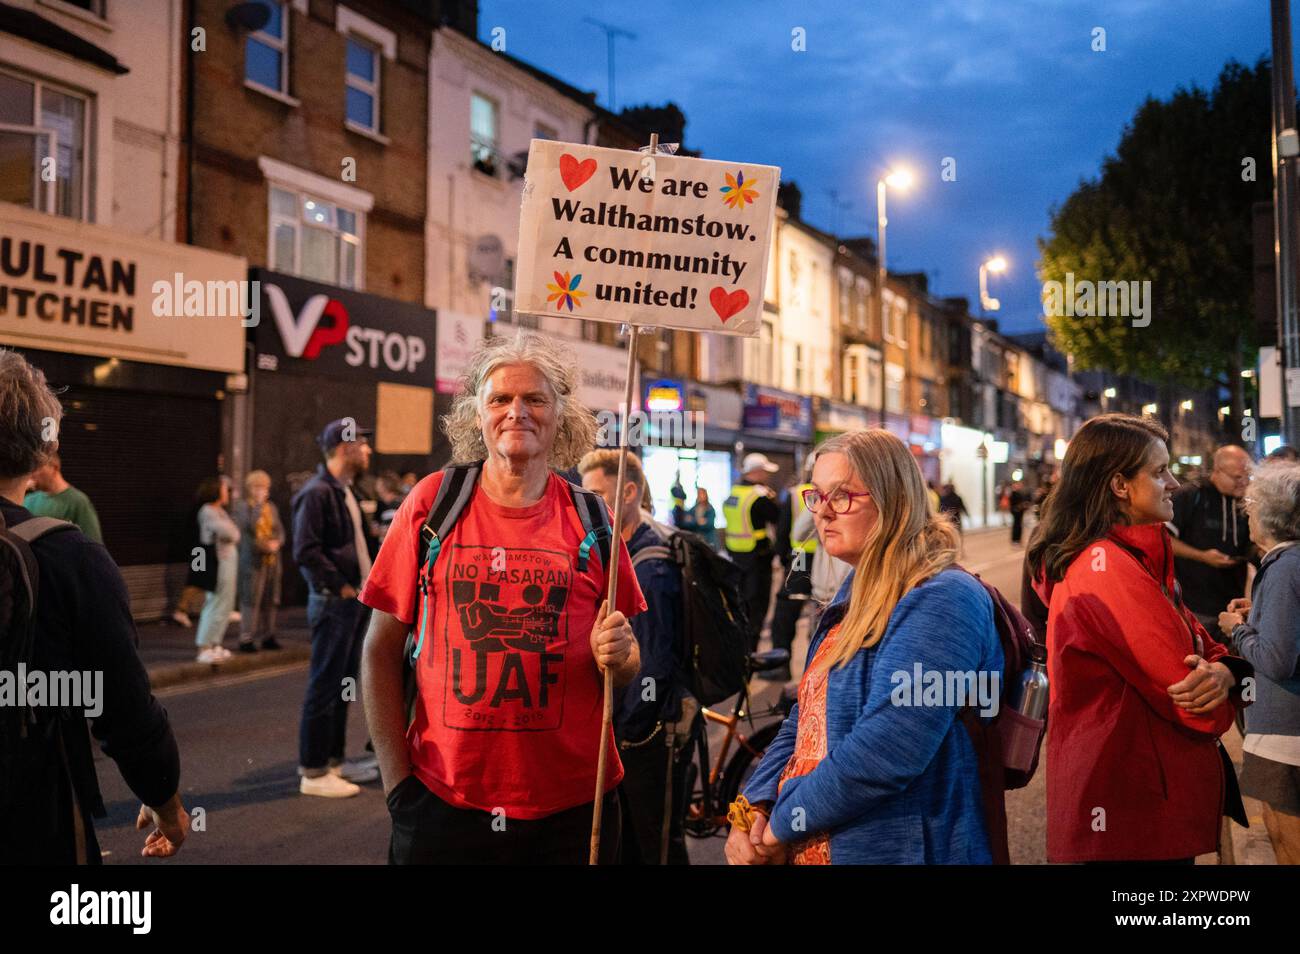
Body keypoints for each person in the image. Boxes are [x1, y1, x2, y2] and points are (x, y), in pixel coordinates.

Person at [360, 331, 644, 864]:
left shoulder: (591, 518)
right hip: (445, 806)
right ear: (477, 415)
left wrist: (622, 655)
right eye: (500, 399)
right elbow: (378, 648)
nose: (518, 412)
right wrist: (398, 788)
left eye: (535, 399)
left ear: (561, 416)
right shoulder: (433, 504)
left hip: (576, 810)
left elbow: (627, 662)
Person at [728, 429, 1003, 865]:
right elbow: (805, 716)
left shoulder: (943, 596)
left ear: (893, 499)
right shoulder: (854, 588)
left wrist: (782, 824)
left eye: (842, 496)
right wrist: (755, 806)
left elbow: (889, 750)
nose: (823, 513)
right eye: (816, 496)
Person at [1027, 414, 1252, 863]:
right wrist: (1227, 678)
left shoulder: (1131, 557)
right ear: (1119, 485)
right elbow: (1195, 704)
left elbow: (1203, 645)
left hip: (1130, 797)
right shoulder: (1109, 568)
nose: (1173, 483)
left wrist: (1227, 669)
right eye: (1159, 471)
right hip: (1132, 806)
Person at [0, 349, 187, 863]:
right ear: (44, 447)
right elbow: (124, 709)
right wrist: (165, 799)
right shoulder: (70, 556)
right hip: (29, 813)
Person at [580, 448, 695, 865]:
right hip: (629, 731)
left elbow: (654, 665)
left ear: (628, 492)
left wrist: (625, 732)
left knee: (655, 844)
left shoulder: (650, 562)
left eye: (596, 494)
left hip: (649, 734)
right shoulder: (616, 548)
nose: (588, 504)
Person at [1217, 460, 1300, 864]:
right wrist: (1260, 616)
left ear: (1268, 515)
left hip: (1287, 734)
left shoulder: (1284, 567)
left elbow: (1277, 660)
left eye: (1251, 506)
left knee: (1288, 844)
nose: (1248, 514)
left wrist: (1237, 629)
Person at [291, 418, 380, 797]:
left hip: (352, 603)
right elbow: (305, 551)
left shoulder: (344, 490)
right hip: (333, 603)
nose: (368, 450)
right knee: (324, 687)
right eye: (362, 443)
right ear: (344, 448)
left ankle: (335, 762)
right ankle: (313, 771)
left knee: (343, 685)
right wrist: (341, 586)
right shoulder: (317, 493)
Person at [1169, 444, 1254, 634]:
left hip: (1234, 605)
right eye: (1237, 477)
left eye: (1248, 476)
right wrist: (1202, 556)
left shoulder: (1246, 501)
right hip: (1194, 605)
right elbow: (1164, 538)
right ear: (1217, 471)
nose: (1244, 482)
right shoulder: (1191, 495)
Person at [723, 453, 781, 650]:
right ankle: (751, 652)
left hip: (735, 557)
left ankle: (737, 648)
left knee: (740, 606)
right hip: (758, 559)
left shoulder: (734, 493)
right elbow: (777, 517)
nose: (767, 476)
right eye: (765, 472)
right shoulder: (760, 495)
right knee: (757, 608)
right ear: (756, 472)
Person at [767, 468, 817, 681]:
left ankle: (781, 665)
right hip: (827, 558)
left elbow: (784, 528)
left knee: (785, 610)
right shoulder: (837, 491)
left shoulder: (797, 494)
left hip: (800, 557)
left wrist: (781, 555)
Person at [232, 469, 285, 653]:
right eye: (258, 487)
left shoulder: (272, 508)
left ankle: (268, 635)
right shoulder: (242, 507)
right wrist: (258, 507)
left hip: (272, 560)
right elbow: (249, 527)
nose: (262, 491)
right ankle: (246, 637)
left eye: (264, 487)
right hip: (252, 561)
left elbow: (280, 530)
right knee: (251, 599)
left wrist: (276, 543)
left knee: (271, 598)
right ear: (250, 488)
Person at [193, 475, 239, 663]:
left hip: (227, 560)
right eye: (223, 489)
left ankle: (215, 643)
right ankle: (204, 646)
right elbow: (230, 532)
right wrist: (233, 532)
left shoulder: (219, 511)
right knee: (216, 601)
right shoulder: (208, 511)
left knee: (226, 603)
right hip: (218, 560)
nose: (226, 492)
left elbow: (234, 533)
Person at [24, 451, 103, 544]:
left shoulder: (78, 501)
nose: (31, 474)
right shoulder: (28, 499)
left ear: (54, 467)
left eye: (36, 468)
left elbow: (93, 542)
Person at [1008, 479, 1030, 545]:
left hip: (1020, 511)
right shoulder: (1013, 493)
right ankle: (1015, 539)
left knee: (1019, 525)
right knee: (1016, 525)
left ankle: (1018, 539)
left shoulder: (1020, 493)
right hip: (1015, 511)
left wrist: (1024, 505)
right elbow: (1012, 503)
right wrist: (1016, 507)